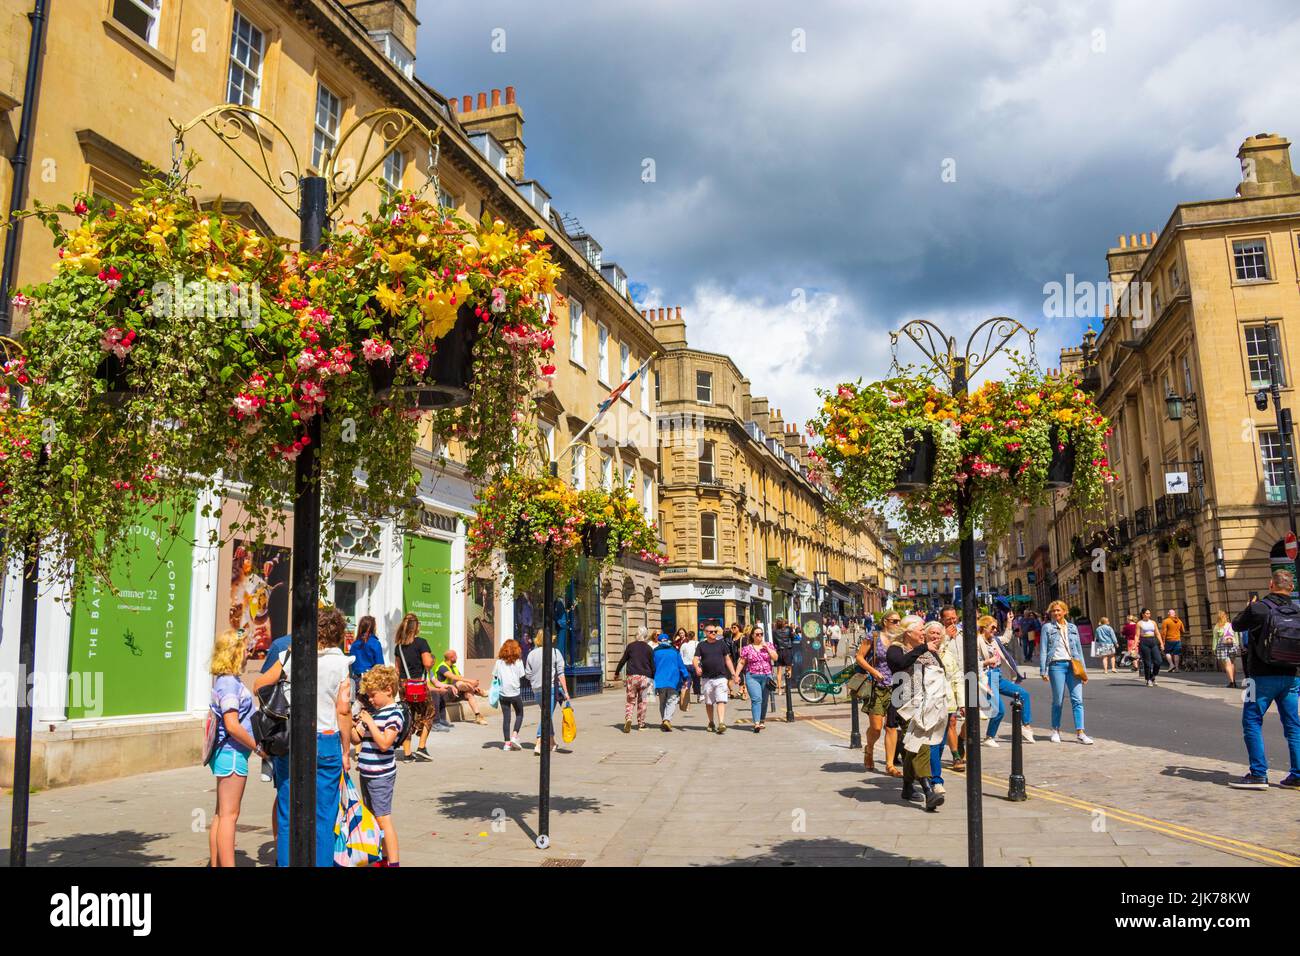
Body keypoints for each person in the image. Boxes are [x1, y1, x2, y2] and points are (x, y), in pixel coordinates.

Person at [255, 605, 354, 868]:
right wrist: (346, 750)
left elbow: (259, 685)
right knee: (323, 817)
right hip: (326, 740)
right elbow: (343, 709)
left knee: (288, 815)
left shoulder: (290, 656)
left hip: (292, 741)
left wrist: (284, 699)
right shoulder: (341, 663)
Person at [1228, 569, 1300, 790]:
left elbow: (1236, 624)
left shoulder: (1259, 608)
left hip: (1260, 676)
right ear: (1292, 587)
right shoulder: (1297, 611)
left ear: (1271, 585)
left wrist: (1251, 604)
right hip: (1291, 676)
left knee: (1251, 720)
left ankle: (1258, 774)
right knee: (1293, 725)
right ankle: (1297, 775)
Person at [207, 629, 261, 867]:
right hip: (232, 754)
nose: (248, 653)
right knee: (230, 816)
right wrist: (257, 747)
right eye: (245, 649)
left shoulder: (224, 680)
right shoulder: (229, 684)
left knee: (221, 814)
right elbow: (232, 725)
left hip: (226, 753)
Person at [888, 615, 945, 812]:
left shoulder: (927, 650)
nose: (924, 633)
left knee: (912, 748)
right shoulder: (896, 649)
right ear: (908, 632)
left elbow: (940, 670)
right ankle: (929, 791)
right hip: (905, 706)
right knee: (919, 746)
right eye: (921, 630)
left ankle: (906, 785)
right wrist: (923, 649)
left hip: (927, 705)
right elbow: (900, 664)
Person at [352, 664, 404, 866]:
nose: (371, 699)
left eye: (374, 695)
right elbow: (357, 739)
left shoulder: (394, 714)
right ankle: (380, 858)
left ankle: (393, 862)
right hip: (366, 773)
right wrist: (350, 720)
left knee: (383, 819)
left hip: (381, 775)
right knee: (373, 819)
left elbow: (384, 743)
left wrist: (370, 723)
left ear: (388, 690)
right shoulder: (374, 713)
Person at [393, 613, 454, 763]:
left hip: (404, 684)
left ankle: (407, 754)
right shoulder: (421, 643)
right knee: (429, 712)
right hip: (418, 684)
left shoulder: (398, 647)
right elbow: (427, 664)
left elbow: (397, 669)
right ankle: (421, 748)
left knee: (407, 716)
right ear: (417, 627)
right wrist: (429, 663)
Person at [1039, 600, 1093, 744]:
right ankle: (1055, 730)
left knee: (1078, 700)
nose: (1056, 613)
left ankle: (1080, 732)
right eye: (1053, 611)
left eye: (1058, 610)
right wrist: (1043, 670)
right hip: (1056, 666)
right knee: (1058, 700)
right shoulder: (1047, 628)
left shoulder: (1073, 627)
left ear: (1064, 611)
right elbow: (1043, 650)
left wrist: (1084, 672)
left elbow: (1079, 651)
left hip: (1073, 666)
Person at [856, 611, 901, 775]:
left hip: (896, 687)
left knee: (891, 727)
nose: (897, 624)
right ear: (885, 622)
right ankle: (869, 749)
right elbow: (859, 657)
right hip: (877, 686)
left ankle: (890, 765)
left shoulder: (900, 638)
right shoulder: (873, 636)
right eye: (894, 621)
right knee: (876, 727)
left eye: (899, 621)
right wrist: (873, 671)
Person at [979, 615, 1036, 744]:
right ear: (984, 627)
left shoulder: (994, 640)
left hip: (997, 676)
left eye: (996, 627)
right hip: (986, 678)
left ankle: (1026, 726)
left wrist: (1009, 622)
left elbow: (1005, 638)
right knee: (999, 711)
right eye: (992, 627)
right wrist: (987, 662)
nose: (995, 630)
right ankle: (989, 737)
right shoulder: (977, 641)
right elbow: (972, 663)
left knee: (1023, 694)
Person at [525, 629, 571, 754]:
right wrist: (566, 692)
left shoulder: (531, 654)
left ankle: (552, 742)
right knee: (546, 715)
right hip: (550, 689)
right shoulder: (555, 653)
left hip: (536, 690)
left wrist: (536, 677)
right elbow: (561, 674)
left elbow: (528, 674)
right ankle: (539, 742)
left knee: (547, 713)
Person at [695, 624, 740, 734]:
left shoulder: (721, 644)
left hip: (721, 677)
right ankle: (711, 722)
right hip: (707, 678)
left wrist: (734, 674)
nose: (714, 633)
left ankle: (721, 723)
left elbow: (727, 660)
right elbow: (695, 659)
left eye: (715, 631)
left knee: (721, 700)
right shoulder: (701, 645)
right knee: (709, 702)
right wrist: (697, 667)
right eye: (711, 632)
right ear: (705, 633)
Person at [614, 625, 656, 732]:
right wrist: (653, 678)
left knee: (630, 699)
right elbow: (652, 665)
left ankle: (628, 718)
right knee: (642, 701)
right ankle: (641, 724)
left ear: (637, 635)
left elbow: (623, 660)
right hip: (644, 677)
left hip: (632, 676)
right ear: (646, 636)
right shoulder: (649, 648)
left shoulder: (631, 646)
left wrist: (617, 672)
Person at [737, 625, 778, 732]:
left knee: (764, 700)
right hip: (752, 676)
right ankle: (756, 723)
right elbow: (741, 662)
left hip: (767, 676)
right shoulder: (747, 648)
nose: (760, 636)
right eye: (757, 634)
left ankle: (762, 720)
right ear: (752, 636)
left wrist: (767, 648)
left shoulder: (769, 645)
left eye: (761, 634)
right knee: (756, 699)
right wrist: (736, 675)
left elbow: (775, 657)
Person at [434, 649, 490, 725]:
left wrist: (470, 686)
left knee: (469, 694)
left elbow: (461, 679)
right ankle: (480, 692)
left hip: (455, 693)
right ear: (452, 657)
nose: (457, 657)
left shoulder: (454, 667)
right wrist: (471, 682)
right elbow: (454, 677)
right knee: (459, 683)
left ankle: (478, 716)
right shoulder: (442, 667)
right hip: (445, 694)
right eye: (456, 656)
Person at [652, 632, 691, 731]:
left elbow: (652, 667)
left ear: (659, 641)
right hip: (674, 680)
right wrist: (686, 677)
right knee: (672, 700)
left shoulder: (655, 652)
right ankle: (667, 719)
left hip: (659, 681)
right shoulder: (675, 651)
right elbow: (681, 666)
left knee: (662, 702)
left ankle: (664, 720)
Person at [493, 639, 526, 750]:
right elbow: (522, 675)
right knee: (520, 713)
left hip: (503, 694)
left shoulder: (499, 662)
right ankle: (514, 736)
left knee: (506, 718)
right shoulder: (519, 662)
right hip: (515, 693)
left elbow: (495, 677)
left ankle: (507, 744)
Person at [1214, 610, 1240, 689]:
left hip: (1222, 646)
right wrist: (1237, 644)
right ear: (1225, 617)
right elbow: (1236, 635)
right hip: (1233, 645)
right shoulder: (1231, 625)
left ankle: (1231, 682)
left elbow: (1215, 639)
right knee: (1232, 663)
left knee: (1227, 664)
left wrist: (1214, 648)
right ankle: (1234, 681)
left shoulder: (1217, 626)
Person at [1136, 607, 1163, 686]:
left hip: (1153, 641)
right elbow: (1137, 635)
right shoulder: (1139, 623)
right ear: (1143, 614)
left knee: (1158, 661)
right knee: (1147, 663)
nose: (1149, 615)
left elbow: (1157, 633)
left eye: (1149, 613)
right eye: (1147, 613)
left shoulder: (1153, 622)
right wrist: (1135, 645)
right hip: (1144, 641)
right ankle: (1148, 679)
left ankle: (1153, 676)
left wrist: (1161, 643)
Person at [677, 628, 699, 712]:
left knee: (686, 685)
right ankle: (698, 695)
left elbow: (681, 656)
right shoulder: (697, 643)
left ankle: (685, 705)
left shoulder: (684, 645)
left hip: (685, 666)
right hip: (694, 665)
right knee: (696, 682)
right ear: (694, 637)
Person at [773, 618, 796, 697]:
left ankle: (779, 689)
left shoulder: (774, 631)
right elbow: (793, 638)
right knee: (789, 668)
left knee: (779, 671)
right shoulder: (788, 630)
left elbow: (774, 642)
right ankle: (787, 686)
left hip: (779, 651)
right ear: (783, 624)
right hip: (788, 650)